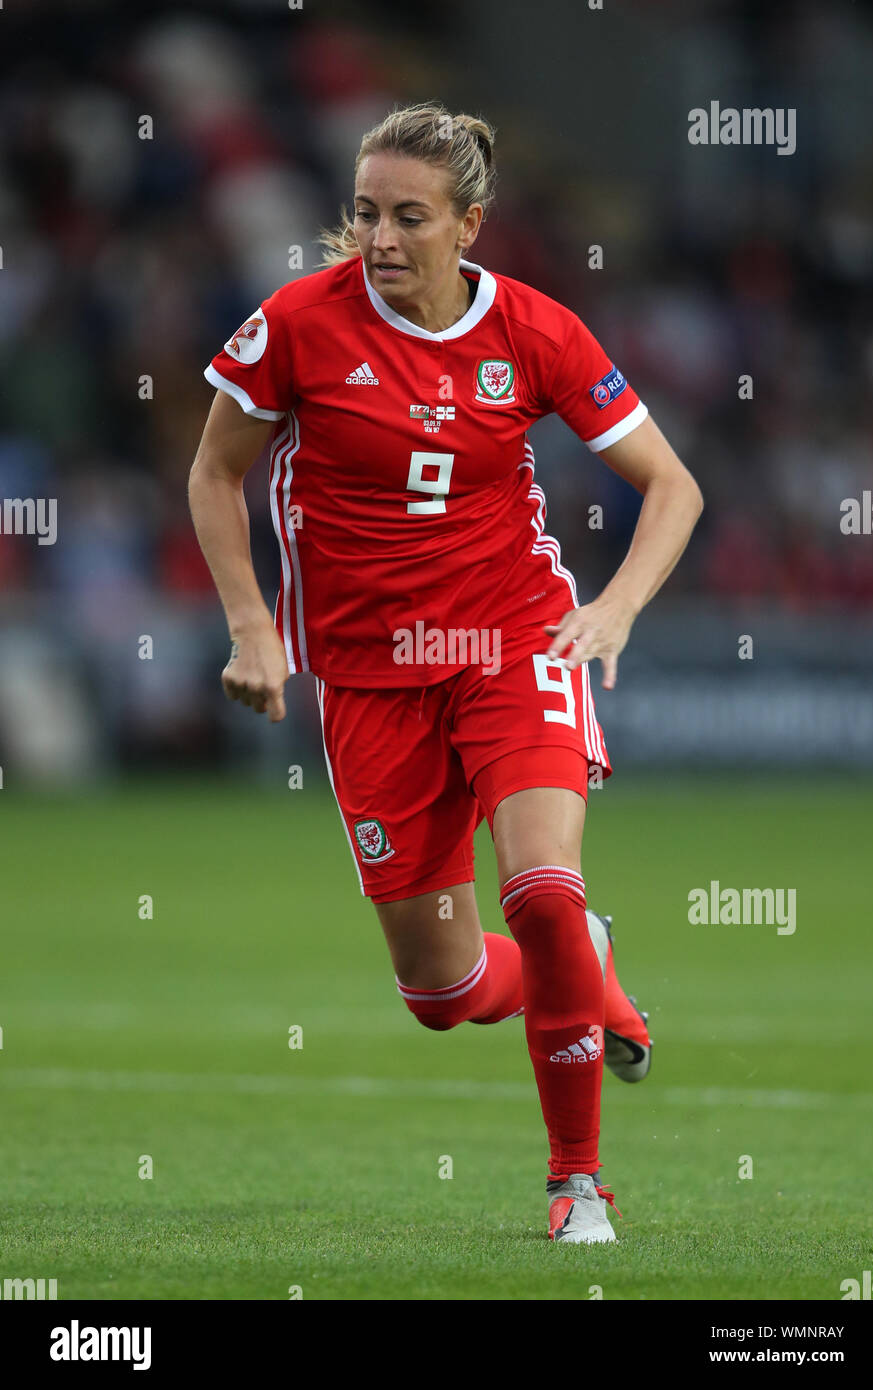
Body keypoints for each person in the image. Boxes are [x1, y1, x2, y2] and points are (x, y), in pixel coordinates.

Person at [189, 101, 702, 1245]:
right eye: (364, 211)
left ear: (469, 223)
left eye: (408, 217)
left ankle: (577, 1186)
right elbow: (213, 474)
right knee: (444, 992)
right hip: (370, 676)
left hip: (511, 640)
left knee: (543, 893)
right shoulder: (297, 327)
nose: (379, 236)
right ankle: (592, 973)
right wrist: (249, 627)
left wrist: (613, 608)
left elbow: (673, 485)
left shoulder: (536, 332)